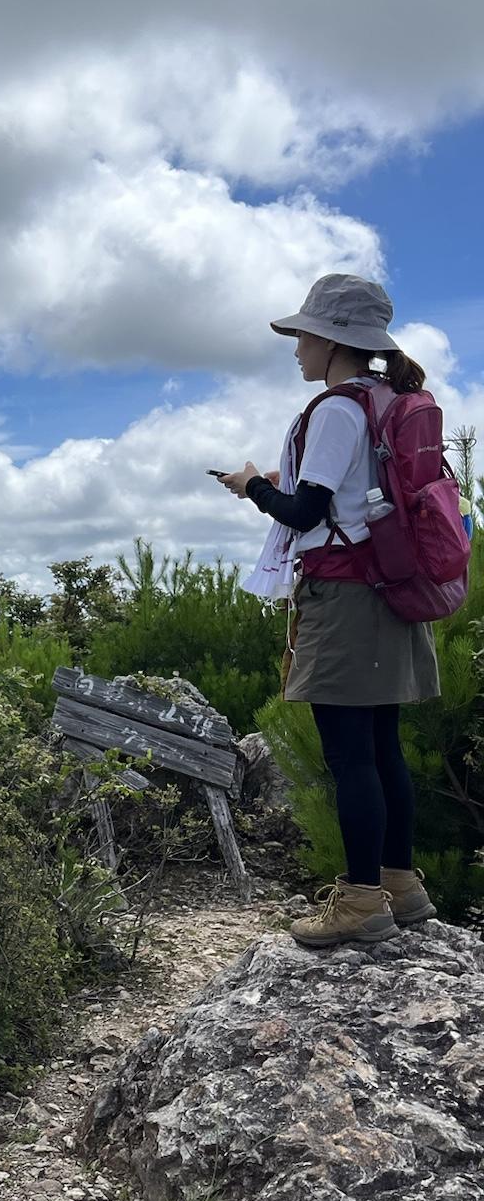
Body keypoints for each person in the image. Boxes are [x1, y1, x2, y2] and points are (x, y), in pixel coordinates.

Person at [215, 273, 440, 949]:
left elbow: (307, 512)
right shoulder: (383, 399)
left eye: (302, 336)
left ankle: (361, 904)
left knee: (351, 758)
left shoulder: (337, 409)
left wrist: (252, 485)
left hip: (345, 599)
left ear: (333, 340)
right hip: (387, 591)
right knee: (382, 749)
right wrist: (280, 485)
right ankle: (400, 884)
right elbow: (342, 495)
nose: (296, 350)